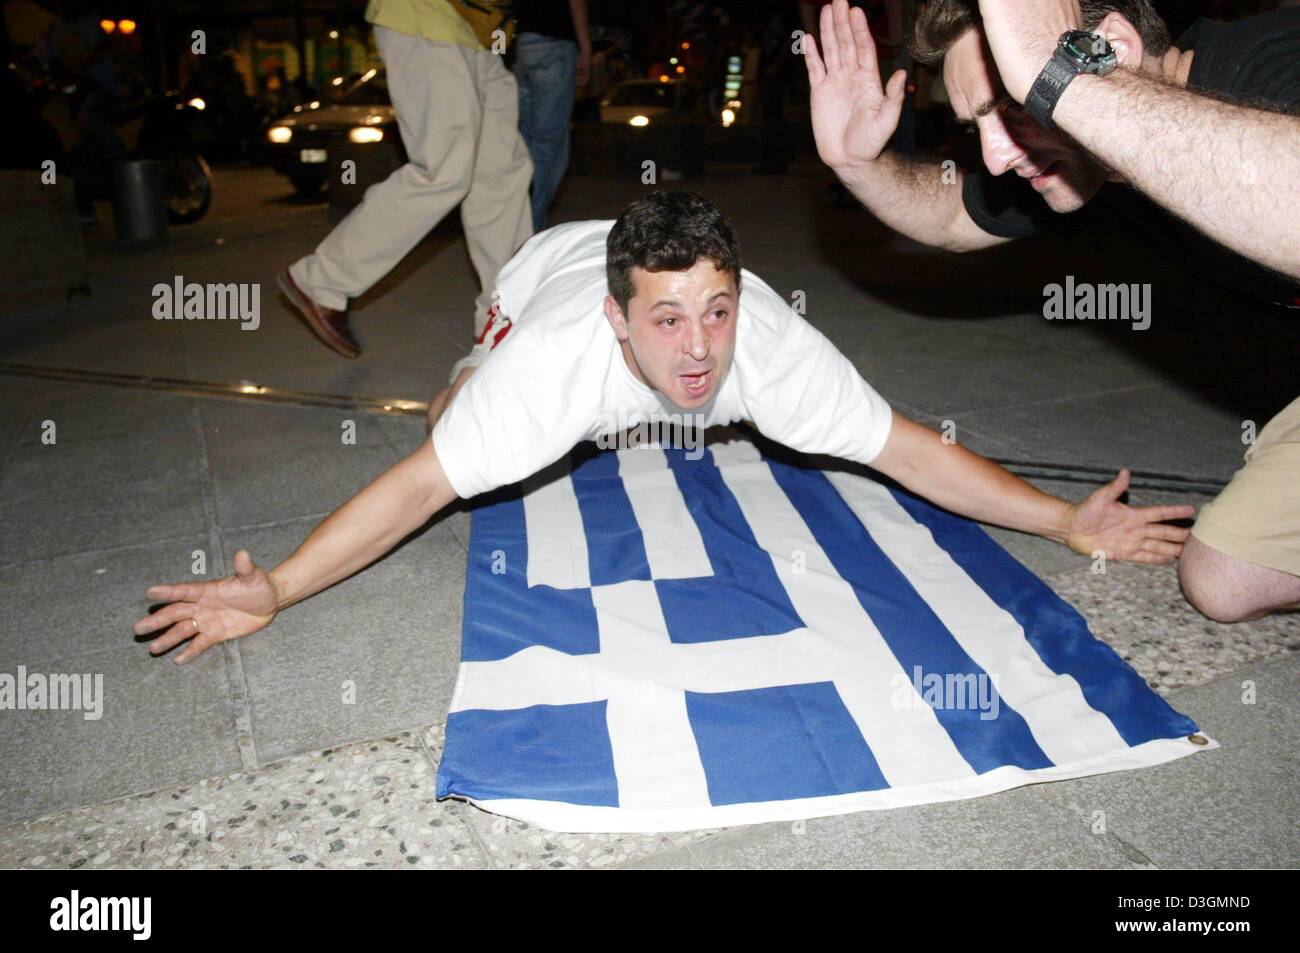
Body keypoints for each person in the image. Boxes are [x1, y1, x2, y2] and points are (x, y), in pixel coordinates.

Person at [135, 191, 1194, 665]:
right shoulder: (559, 358)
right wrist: (273, 586)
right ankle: (471, 359)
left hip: (610, 305)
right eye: (668, 321)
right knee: (465, 434)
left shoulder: (765, 345)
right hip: (538, 275)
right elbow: (416, 488)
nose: (698, 352)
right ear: (619, 319)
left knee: (759, 384)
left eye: (716, 314)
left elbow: (908, 446)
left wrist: (1065, 525)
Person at [804, 0, 1300, 622]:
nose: (994, 156)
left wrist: (1058, 80)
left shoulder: (1272, 59)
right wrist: (859, 164)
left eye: (1015, 109)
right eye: (976, 126)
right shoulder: (1090, 163)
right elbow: (956, 215)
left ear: (1112, 47)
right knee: (1227, 581)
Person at [276, 0, 534, 357]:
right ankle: (322, 279)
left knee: (500, 173)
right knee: (443, 169)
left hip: (482, 32)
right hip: (426, 15)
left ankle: (505, 313)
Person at [513, 0, 592, 230]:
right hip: (554, 43)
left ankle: (516, 217)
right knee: (550, 144)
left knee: (525, 140)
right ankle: (529, 226)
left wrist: (500, 51)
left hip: (519, 46)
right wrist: (586, 48)